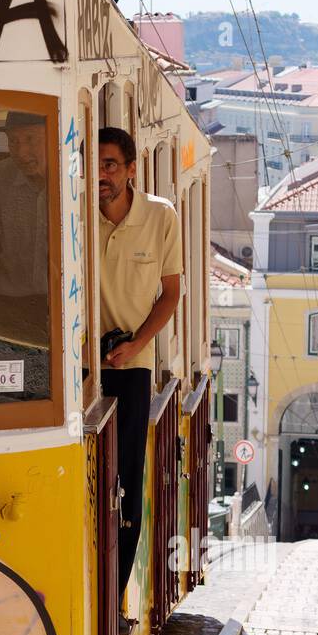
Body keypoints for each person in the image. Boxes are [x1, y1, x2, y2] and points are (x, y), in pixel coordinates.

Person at [97, 126, 182, 610]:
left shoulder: (160, 217)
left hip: (132, 366)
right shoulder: (76, 210)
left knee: (125, 480)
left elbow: (171, 294)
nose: (102, 175)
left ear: (132, 170)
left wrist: (136, 345)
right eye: (96, 165)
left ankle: (115, 597)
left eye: (111, 165)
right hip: (83, 365)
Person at [0, 111, 49, 341]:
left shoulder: (77, 177)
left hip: (72, 305)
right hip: (10, 309)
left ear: (55, 136)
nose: (21, 152)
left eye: (30, 139)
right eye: (13, 141)